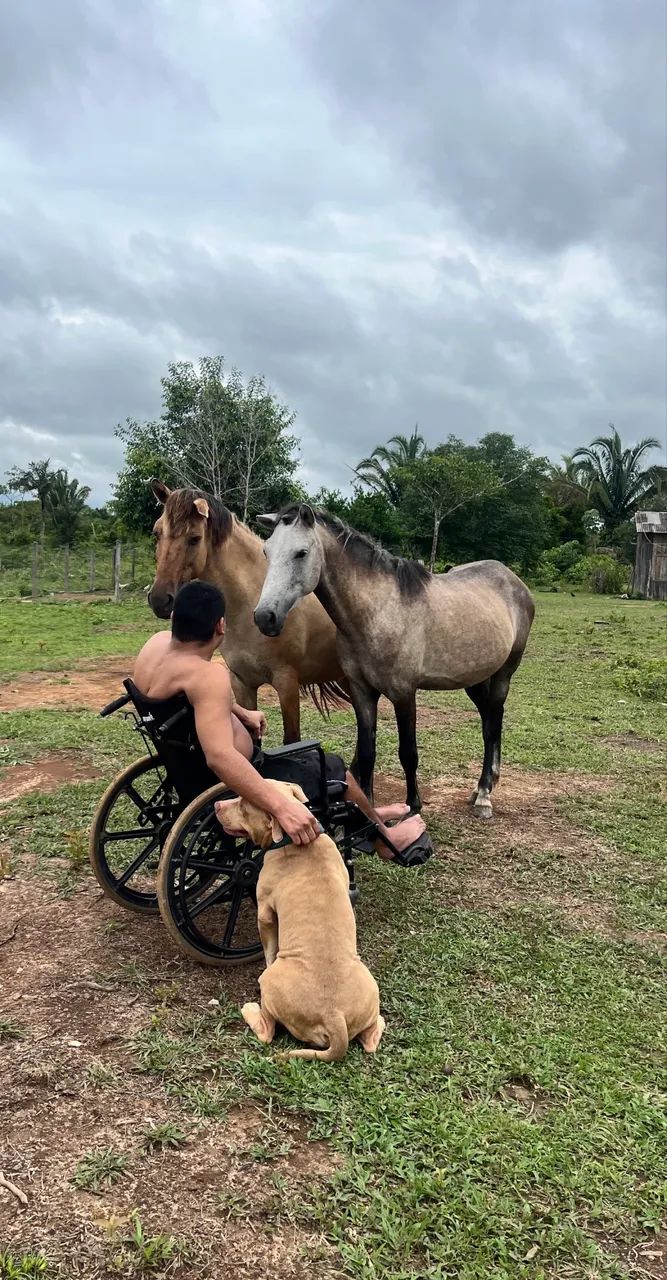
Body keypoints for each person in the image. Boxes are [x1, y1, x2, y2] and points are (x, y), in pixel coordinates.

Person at [132, 580, 430, 859]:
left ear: (174, 620)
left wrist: (238, 711)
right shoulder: (209, 676)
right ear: (221, 626)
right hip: (236, 776)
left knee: (323, 770)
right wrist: (281, 806)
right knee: (334, 770)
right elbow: (220, 757)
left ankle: (372, 816)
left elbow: (185, 696)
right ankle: (384, 838)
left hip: (184, 763)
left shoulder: (155, 646)